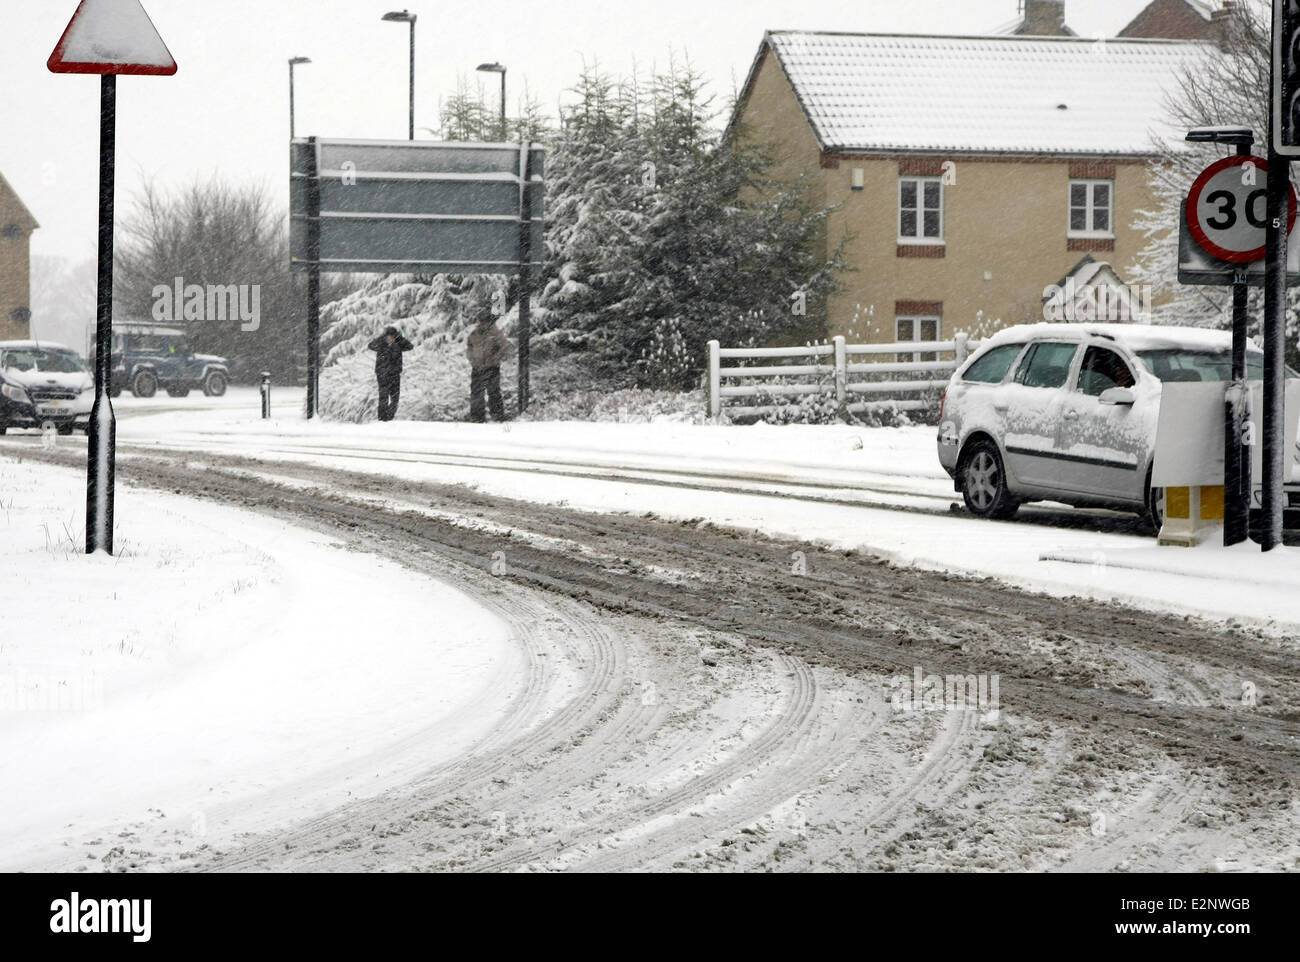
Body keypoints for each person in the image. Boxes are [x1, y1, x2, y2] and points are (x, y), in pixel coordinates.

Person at [466, 310, 511, 422]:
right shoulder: (474, 334)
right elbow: (469, 348)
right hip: (477, 368)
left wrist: (495, 359)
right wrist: (472, 360)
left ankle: (498, 417)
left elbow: (504, 347)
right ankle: (477, 418)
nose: (480, 323)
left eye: (482, 320)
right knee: (476, 393)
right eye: (479, 320)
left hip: (492, 368)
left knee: (494, 392)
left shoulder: (495, 333)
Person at [367, 325, 413, 421]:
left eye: (392, 337)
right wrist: (381, 338)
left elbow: (410, 346)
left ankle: (389, 417)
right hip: (382, 374)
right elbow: (370, 345)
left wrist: (399, 338)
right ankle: (382, 419)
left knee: (395, 398)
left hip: (395, 374)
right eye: (388, 337)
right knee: (383, 397)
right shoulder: (381, 344)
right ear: (385, 337)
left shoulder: (399, 344)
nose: (390, 339)